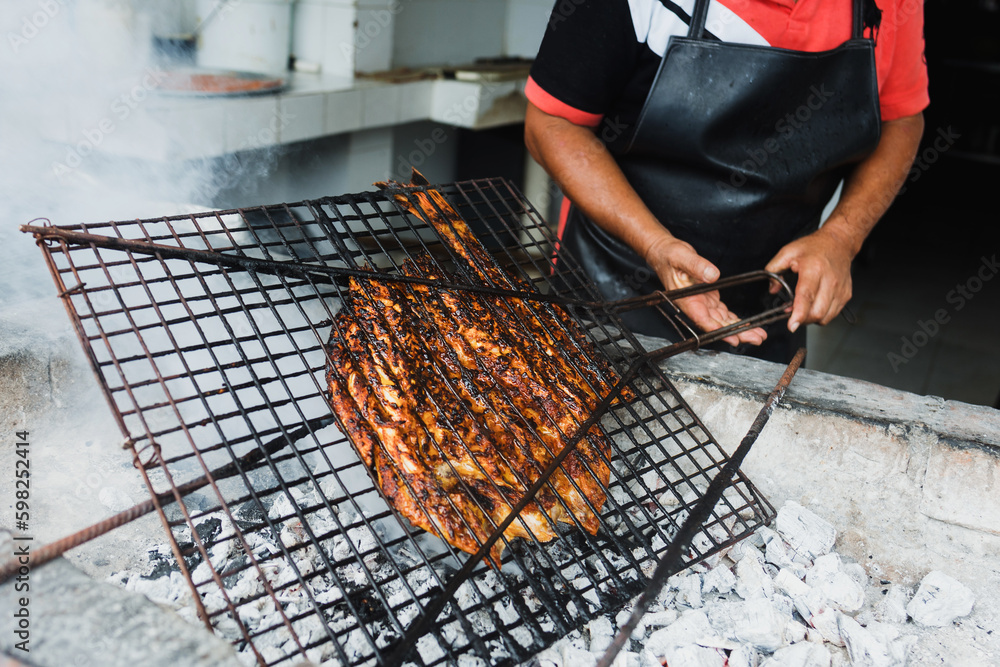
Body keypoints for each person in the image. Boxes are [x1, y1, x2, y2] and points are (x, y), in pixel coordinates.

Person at [524, 0, 928, 362]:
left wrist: (843, 237)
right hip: (614, 292)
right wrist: (655, 244)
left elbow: (902, 118)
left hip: (770, 309)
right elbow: (551, 124)